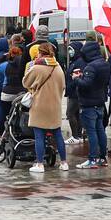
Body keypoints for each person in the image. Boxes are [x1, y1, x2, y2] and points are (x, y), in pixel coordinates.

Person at [23, 42, 69, 172]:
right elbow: (63, 86)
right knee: (57, 134)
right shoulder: (58, 67)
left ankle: (39, 164)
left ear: (41, 53)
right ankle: (64, 163)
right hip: (55, 106)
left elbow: (25, 82)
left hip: (39, 106)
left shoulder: (37, 67)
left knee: (39, 136)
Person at [73, 34, 110, 168]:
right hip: (100, 101)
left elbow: (86, 84)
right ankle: (102, 157)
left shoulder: (91, 67)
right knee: (100, 130)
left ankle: (92, 159)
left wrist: (77, 79)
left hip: (89, 103)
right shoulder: (104, 64)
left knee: (91, 132)